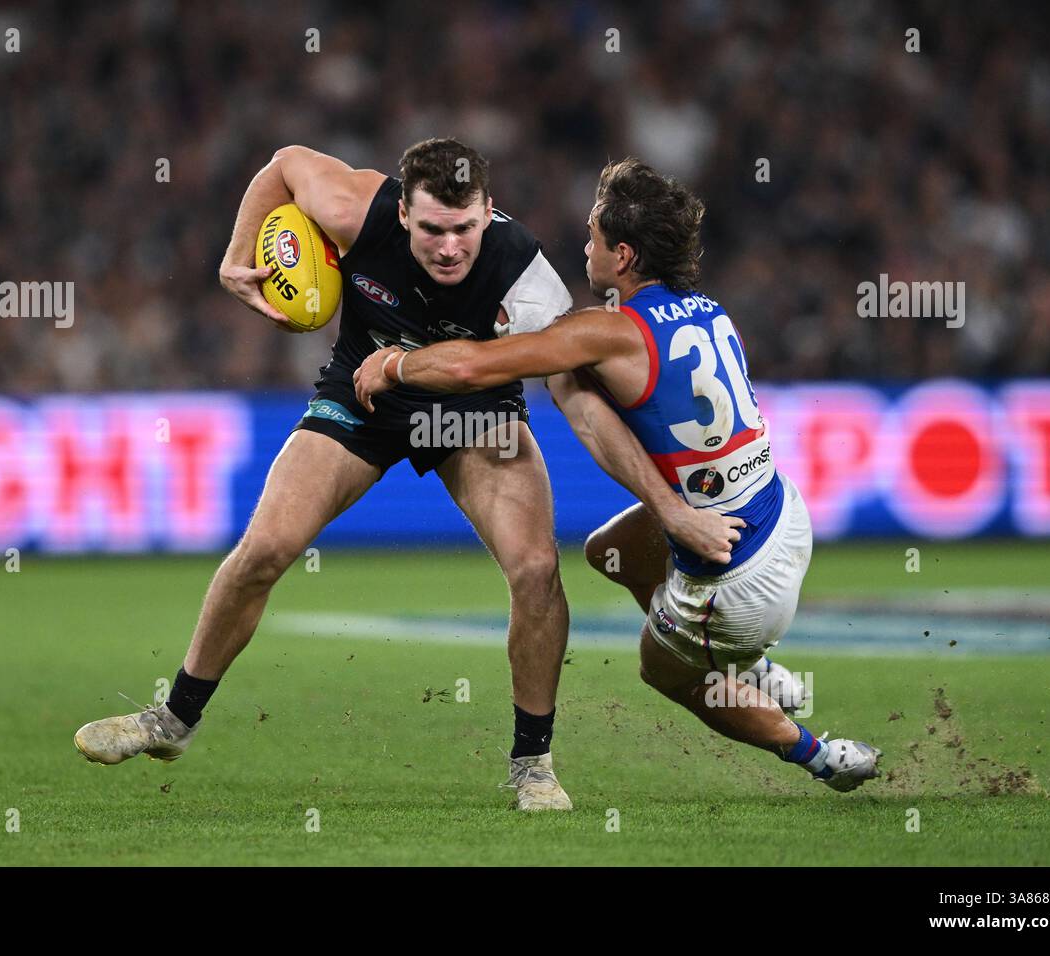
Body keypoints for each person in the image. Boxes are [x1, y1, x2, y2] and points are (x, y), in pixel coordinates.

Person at [75, 139, 676, 810]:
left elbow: (575, 400)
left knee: (536, 569)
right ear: (401, 216)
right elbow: (282, 163)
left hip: (475, 412)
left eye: (464, 229)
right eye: (430, 230)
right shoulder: (351, 206)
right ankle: (174, 719)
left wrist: (662, 496)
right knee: (266, 549)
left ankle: (532, 764)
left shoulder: (530, 289)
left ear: (489, 212)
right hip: (363, 398)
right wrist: (234, 259)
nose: (449, 247)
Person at [353, 157, 881, 792]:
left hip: (737, 576)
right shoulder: (709, 310)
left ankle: (820, 755)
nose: (586, 236)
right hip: (780, 513)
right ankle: (757, 662)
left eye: (596, 229)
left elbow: (472, 370)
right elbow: (596, 388)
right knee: (610, 552)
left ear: (624, 255)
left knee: (666, 673)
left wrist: (394, 365)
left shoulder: (609, 332)